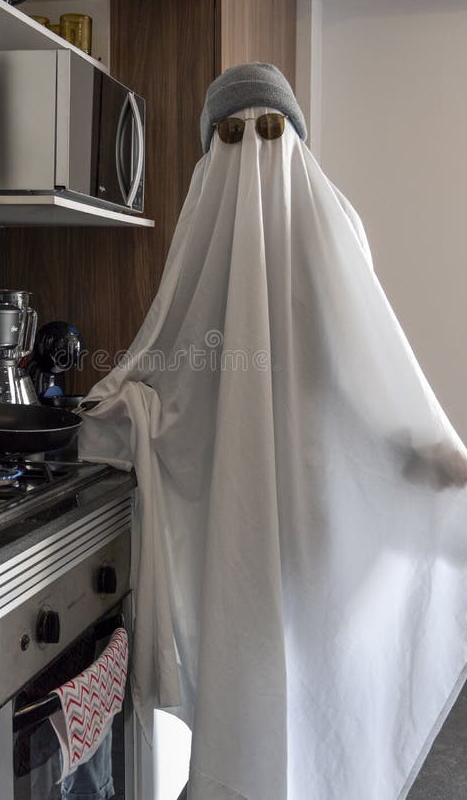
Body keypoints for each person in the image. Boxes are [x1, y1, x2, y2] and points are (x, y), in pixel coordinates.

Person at [79, 63, 467, 800]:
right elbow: (172, 374)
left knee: (272, 699)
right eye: (235, 135)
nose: (252, 150)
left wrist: (113, 414)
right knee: (276, 700)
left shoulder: (239, 224)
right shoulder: (304, 228)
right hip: (280, 529)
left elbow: (361, 375)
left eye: (266, 132)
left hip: (264, 531)